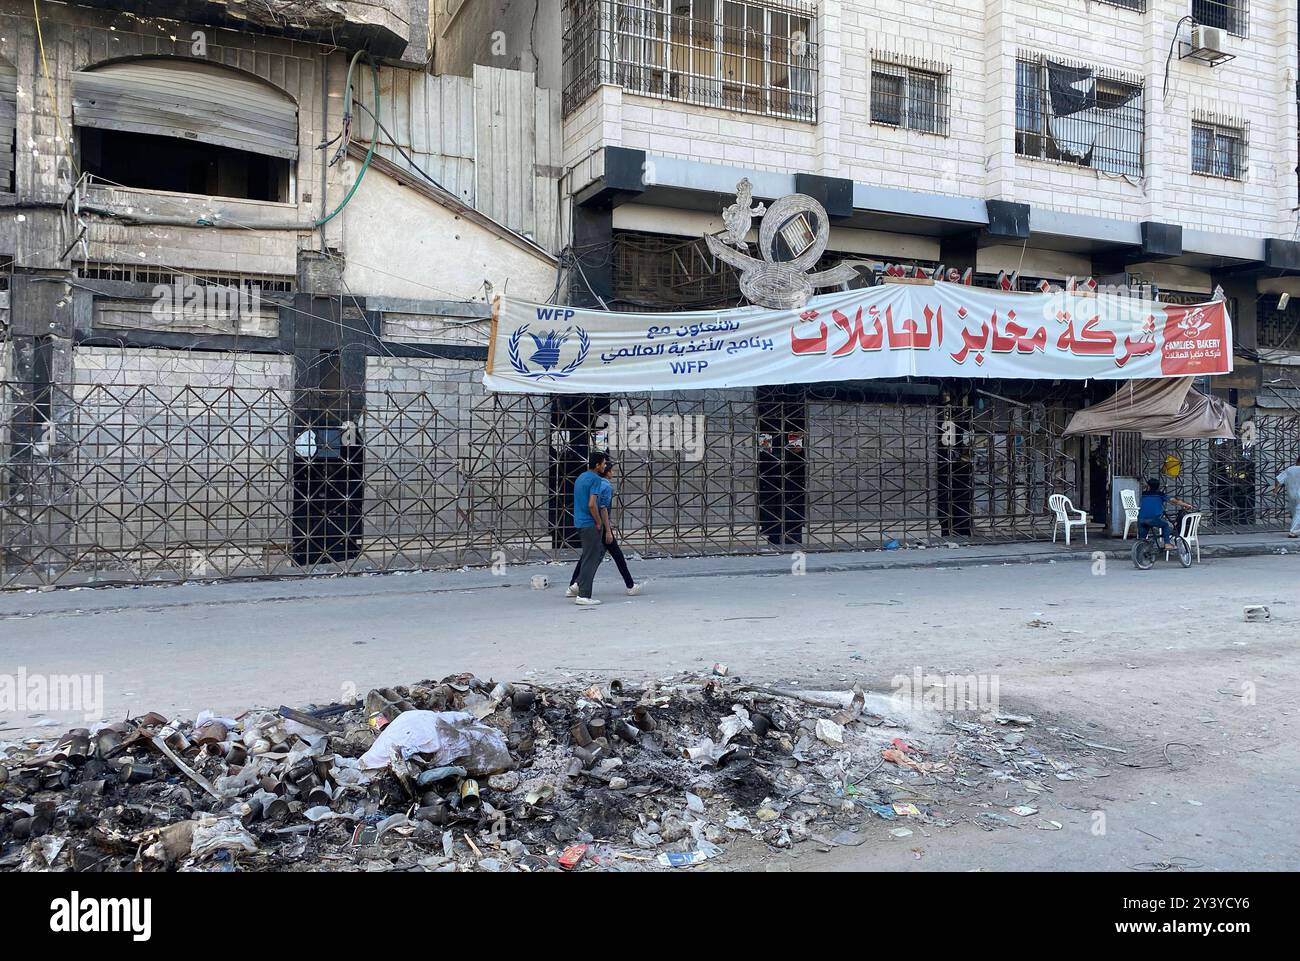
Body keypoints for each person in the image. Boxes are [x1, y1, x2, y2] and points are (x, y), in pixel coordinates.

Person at [567, 459, 640, 597]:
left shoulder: (590, 481)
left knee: (588, 556)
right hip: (600, 524)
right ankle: (630, 585)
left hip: (590, 523)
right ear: (606, 472)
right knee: (614, 556)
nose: (613, 473)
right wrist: (607, 530)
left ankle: (573, 585)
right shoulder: (606, 486)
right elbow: (603, 508)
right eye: (611, 470)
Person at [571, 451, 609, 606]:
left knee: (590, 556)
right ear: (598, 465)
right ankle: (584, 595)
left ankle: (579, 585)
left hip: (579, 522)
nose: (605, 466)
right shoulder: (596, 479)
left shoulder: (581, 477)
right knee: (590, 560)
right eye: (604, 463)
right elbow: (592, 504)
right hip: (590, 524)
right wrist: (599, 522)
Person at [1137, 477, 1195, 550]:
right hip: (1153, 519)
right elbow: (1174, 501)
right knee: (1165, 525)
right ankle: (1167, 544)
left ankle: (1139, 552)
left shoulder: (1143, 495)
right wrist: (1187, 505)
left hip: (1141, 519)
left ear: (1148, 486)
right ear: (1158, 487)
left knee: (1142, 540)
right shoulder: (1160, 495)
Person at [1272, 455, 1300, 538]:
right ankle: (1293, 531)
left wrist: (1275, 491)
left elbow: (1279, 480)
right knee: (1298, 513)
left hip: (1291, 494)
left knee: (1295, 512)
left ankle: (1295, 530)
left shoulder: (1289, 469)